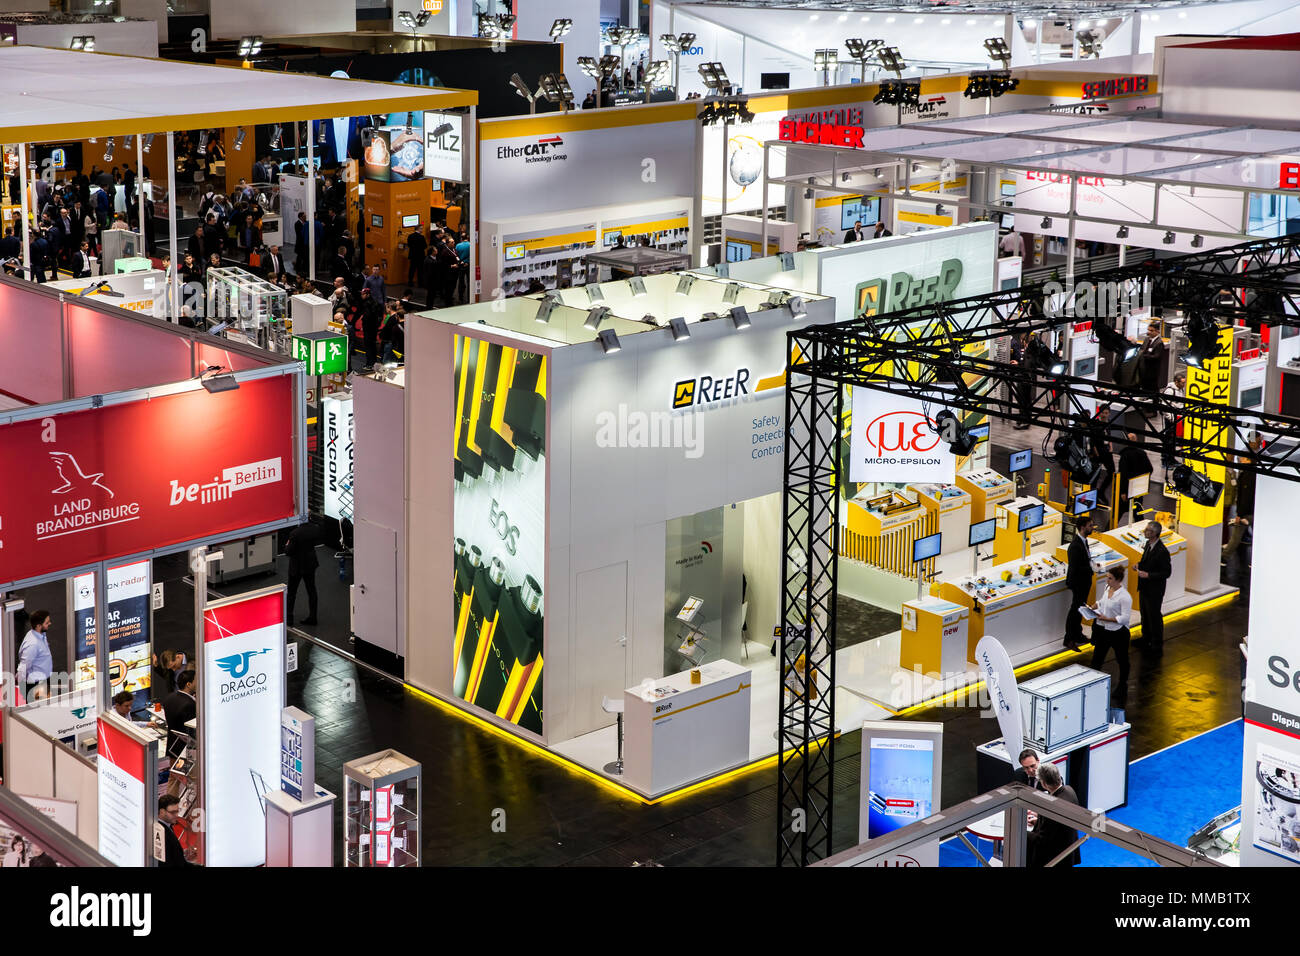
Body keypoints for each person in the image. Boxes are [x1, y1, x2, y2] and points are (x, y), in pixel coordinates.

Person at [1088, 565, 1132, 708]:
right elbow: (1102, 602)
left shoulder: (1125, 597)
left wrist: (1107, 619)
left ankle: (1122, 685)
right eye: (1107, 577)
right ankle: (1092, 683)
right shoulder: (1108, 589)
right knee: (1097, 658)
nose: (1107, 580)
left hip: (1119, 633)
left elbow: (1125, 618)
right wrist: (1093, 607)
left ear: (1118, 580)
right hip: (1104, 631)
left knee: (1122, 660)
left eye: (1110, 578)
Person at [1027, 762, 1082, 867]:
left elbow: (1041, 841)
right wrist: (1038, 821)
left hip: (1054, 857)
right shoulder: (1069, 790)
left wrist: (1022, 833)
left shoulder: (1053, 808)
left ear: (1044, 784)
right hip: (1068, 850)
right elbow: (1056, 825)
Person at [1132, 520, 1171, 653]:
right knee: (1145, 614)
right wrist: (1139, 565)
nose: (1145, 531)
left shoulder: (1162, 551)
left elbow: (1166, 572)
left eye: (1147, 530)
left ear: (1154, 533)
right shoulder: (1149, 545)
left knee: (1154, 616)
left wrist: (1148, 575)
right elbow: (1146, 561)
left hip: (1154, 589)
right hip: (1144, 587)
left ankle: (1156, 643)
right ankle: (1146, 637)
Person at [1064, 515, 1096, 652]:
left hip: (1084, 581)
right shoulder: (1075, 546)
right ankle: (1069, 639)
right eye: (1090, 526)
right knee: (1075, 611)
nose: (1092, 528)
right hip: (1078, 582)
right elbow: (1077, 566)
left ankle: (1077, 634)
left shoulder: (1083, 541)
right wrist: (1092, 568)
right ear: (1082, 527)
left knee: (1079, 609)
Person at [283, 522, 320, 626]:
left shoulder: (295, 533)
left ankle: (289, 619)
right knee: (311, 590)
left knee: (292, 592)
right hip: (310, 563)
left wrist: (286, 546)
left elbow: (288, 551)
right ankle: (313, 617)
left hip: (296, 566)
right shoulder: (315, 528)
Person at [16, 609, 53, 700]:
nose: (50, 623)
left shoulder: (39, 634)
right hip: (36, 684)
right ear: (38, 626)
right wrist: (21, 685)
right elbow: (24, 666)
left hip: (43, 680)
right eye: (47, 623)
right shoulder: (32, 644)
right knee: (39, 711)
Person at [1116, 431, 1152, 519]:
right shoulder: (1142, 453)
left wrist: (1123, 492)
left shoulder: (1125, 455)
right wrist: (1142, 481)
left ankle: (1108, 530)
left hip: (1127, 488)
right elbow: (1150, 469)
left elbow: (1123, 474)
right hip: (1138, 488)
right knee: (1138, 513)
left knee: (1118, 513)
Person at [162, 669, 197, 758]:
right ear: (188, 684)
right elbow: (192, 731)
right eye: (196, 680)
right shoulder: (190, 705)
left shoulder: (169, 698)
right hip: (185, 751)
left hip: (172, 746)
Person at [157, 795, 196, 866]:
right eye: (173, 812)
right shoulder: (161, 832)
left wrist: (182, 853)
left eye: (178, 811)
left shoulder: (166, 825)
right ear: (162, 811)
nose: (176, 815)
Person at [1008, 331, 1032, 429]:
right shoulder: (1027, 350)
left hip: (1025, 379)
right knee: (1022, 400)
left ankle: (1024, 421)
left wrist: (1018, 364)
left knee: (1024, 400)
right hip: (1023, 378)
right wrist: (1018, 363)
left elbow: (1027, 366)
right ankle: (1022, 419)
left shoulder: (1029, 351)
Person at [1137, 321, 1166, 392]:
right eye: (1148, 330)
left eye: (1151, 330)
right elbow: (1142, 349)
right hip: (1143, 370)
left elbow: (1156, 356)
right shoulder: (1147, 339)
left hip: (1152, 372)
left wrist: (1144, 356)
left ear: (1157, 331)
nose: (1149, 332)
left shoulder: (1159, 343)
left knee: (1151, 389)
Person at [358, 286, 381, 369]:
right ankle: (373, 363)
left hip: (369, 329)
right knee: (373, 346)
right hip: (374, 329)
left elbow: (368, 317)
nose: (361, 296)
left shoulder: (367, 304)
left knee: (368, 346)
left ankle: (369, 364)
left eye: (363, 294)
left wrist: (364, 324)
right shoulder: (375, 303)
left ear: (367, 294)